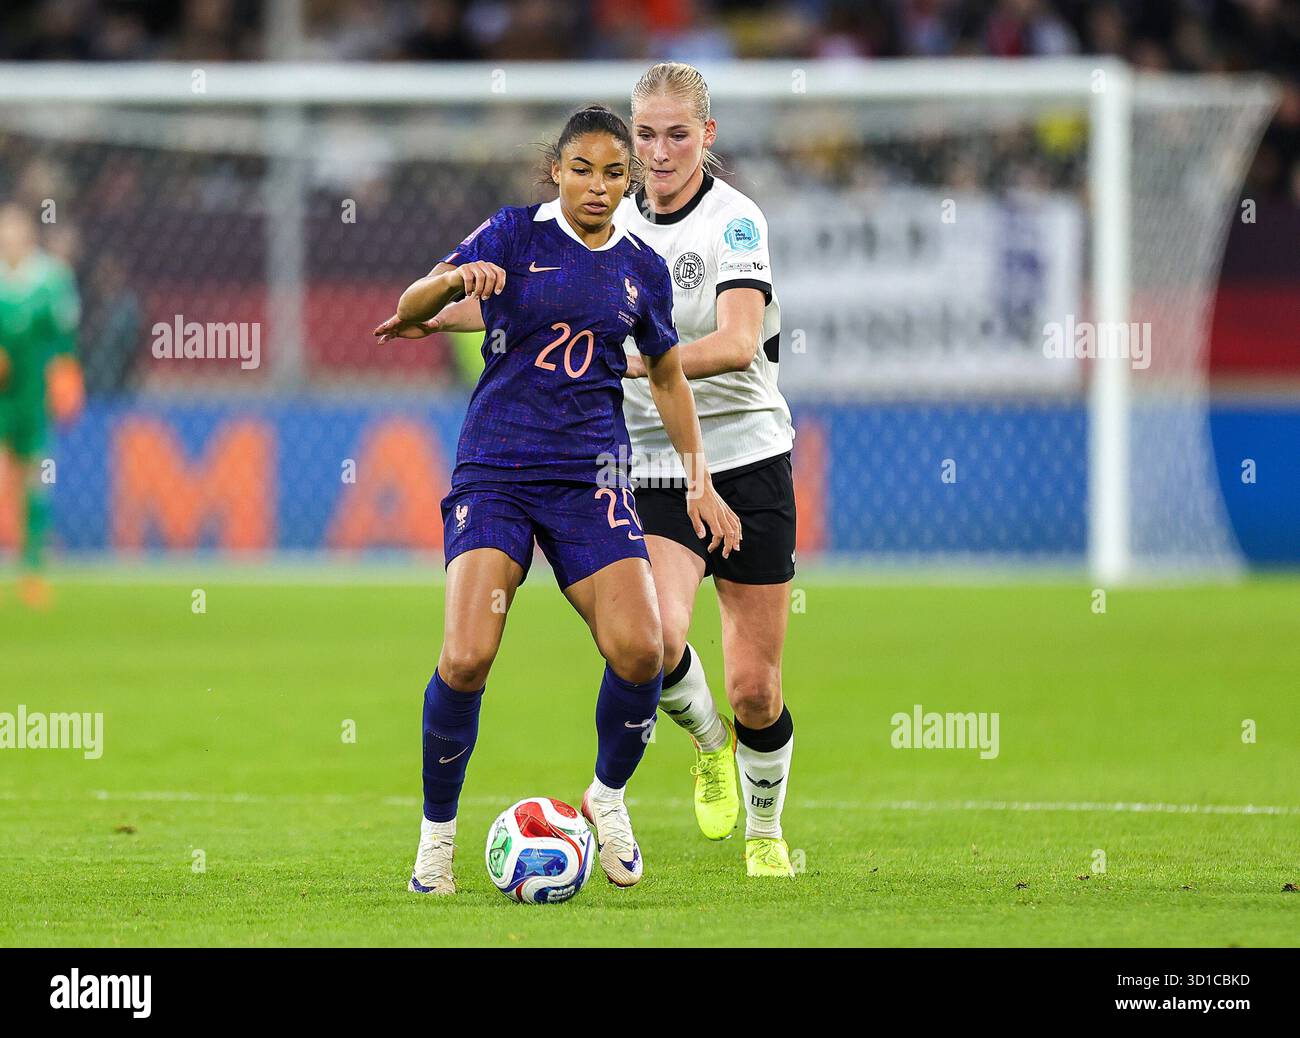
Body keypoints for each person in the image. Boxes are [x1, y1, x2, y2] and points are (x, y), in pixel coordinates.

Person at [419, 64, 799, 878]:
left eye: (677, 135)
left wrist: (633, 359)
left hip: (746, 451)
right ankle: (686, 750)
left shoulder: (734, 222)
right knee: (656, 639)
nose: (658, 153)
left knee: (756, 688)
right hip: (641, 457)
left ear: (706, 137)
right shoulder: (600, 212)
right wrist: (436, 307)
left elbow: (739, 342)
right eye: (645, 135)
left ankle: (765, 832)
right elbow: (522, 296)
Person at [0, 203, 83, 609]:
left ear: (30, 235)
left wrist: (68, 376)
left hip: (34, 396)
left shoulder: (52, 278)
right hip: (2, 396)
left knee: (35, 477)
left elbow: (64, 338)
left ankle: (32, 569)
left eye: (14, 232)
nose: (8, 240)